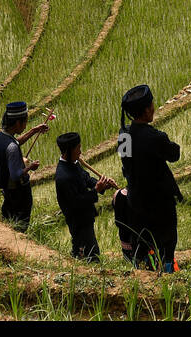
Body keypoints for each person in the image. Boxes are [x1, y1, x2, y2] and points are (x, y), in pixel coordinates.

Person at [118, 83, 182, 272]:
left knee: (143, 242)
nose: (153, 107)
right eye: (152, 105)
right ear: (146, 111)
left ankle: (144, 272)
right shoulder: (155, 137)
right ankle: (168, 275)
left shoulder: (124, 136)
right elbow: (174, 154)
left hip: (136, 201)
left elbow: (126, 164)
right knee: (166, 244)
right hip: (159, 204)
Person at [54, 131, 115, 261]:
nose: (80, 152)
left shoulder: (74, 164)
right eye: (78, 149)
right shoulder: (63, 176)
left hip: (86, 217)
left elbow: (86, 178)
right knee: (89, 253)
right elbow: (76, 203)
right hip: (78, 221)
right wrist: (96, 191)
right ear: (68, 151)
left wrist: (103, 184)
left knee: (86, 250)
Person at [0, 101, 47, 232]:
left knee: (8, 217)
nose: (26, 126)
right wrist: (30, 167)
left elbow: (15, 142)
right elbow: (16, 174)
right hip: (18, 192)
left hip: (6, 189)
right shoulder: (12, 147)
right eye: (25, 122)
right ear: (17, 123)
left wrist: (34, 131)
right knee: (20, 224)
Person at [112, 187, 139, 263]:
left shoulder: (117, 194)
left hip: (124, 237)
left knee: (129, 263)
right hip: (139, 239)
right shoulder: (140, 195)